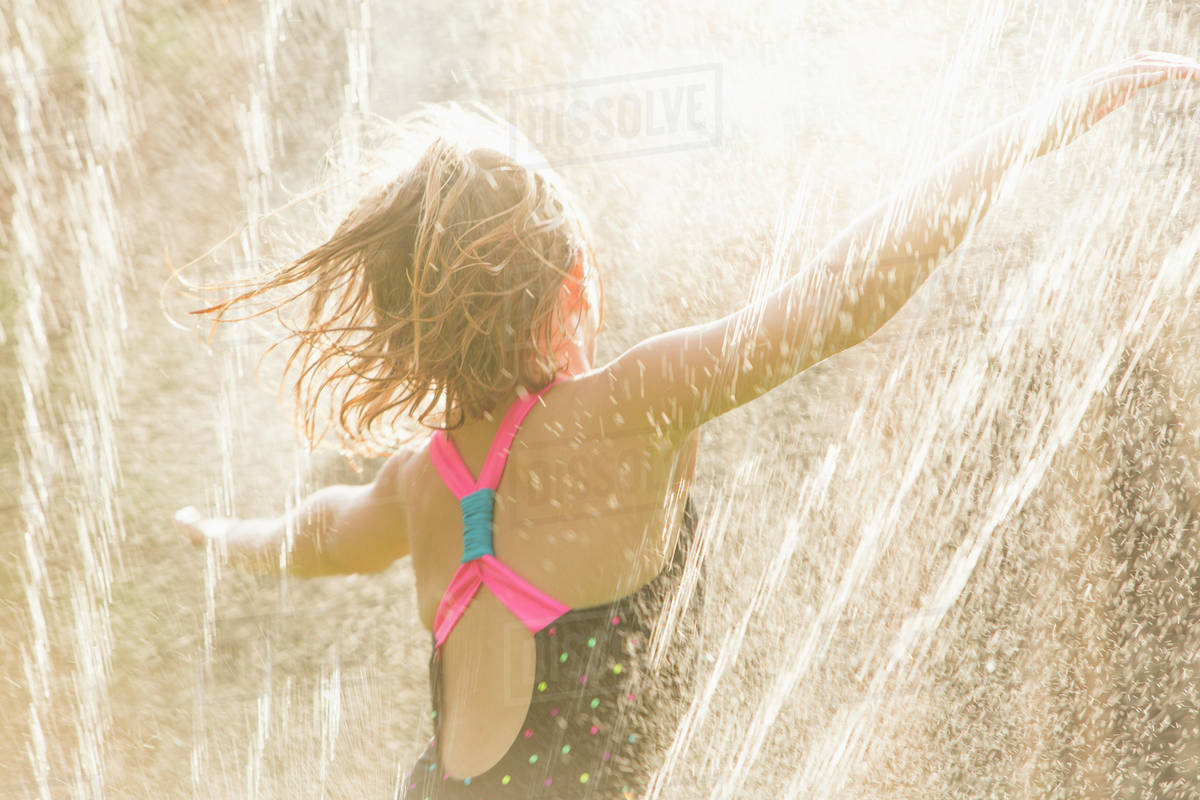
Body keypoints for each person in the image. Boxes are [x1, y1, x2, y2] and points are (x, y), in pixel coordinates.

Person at [176, 53, 1200, 798]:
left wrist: (229, 539)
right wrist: (1032, 131)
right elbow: (836, 298)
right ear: (572, 287)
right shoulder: (627, 405)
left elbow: (312, 536)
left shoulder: (418, 478)